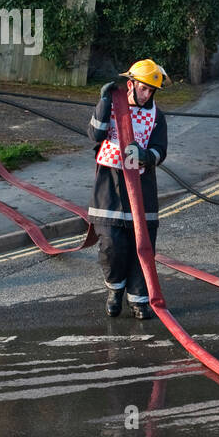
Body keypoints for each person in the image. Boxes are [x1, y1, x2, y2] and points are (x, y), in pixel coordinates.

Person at [88, 59, 170, 320]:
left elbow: (160, 151)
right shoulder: (112, 107)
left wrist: (145, 155)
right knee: (112, 245)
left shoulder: (157, 116)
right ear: (130, 84)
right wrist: (103, 103)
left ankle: (139, 300)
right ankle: (115, 292)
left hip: (143, 190)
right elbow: (94, 135)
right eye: (143, 88)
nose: (147, 95)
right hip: (110, 188)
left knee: (142, 246)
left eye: (151, 91)